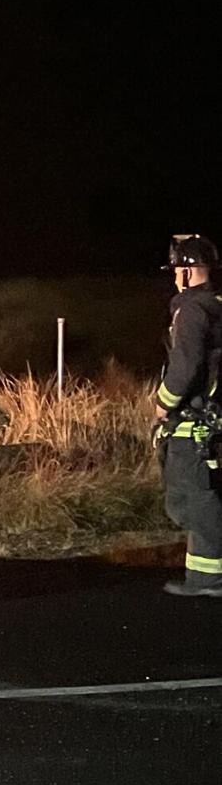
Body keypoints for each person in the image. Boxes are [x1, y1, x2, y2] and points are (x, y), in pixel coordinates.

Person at [155, 233, 222, 597]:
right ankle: (202, 577)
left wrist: (163, 401)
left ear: (186, 271)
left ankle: (209, 579)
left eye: (176, 269)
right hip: (214, 421)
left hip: (193, 420)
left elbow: (186, 365)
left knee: (192, 498)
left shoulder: (192, 310)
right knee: (206, 495)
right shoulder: (216, 305)